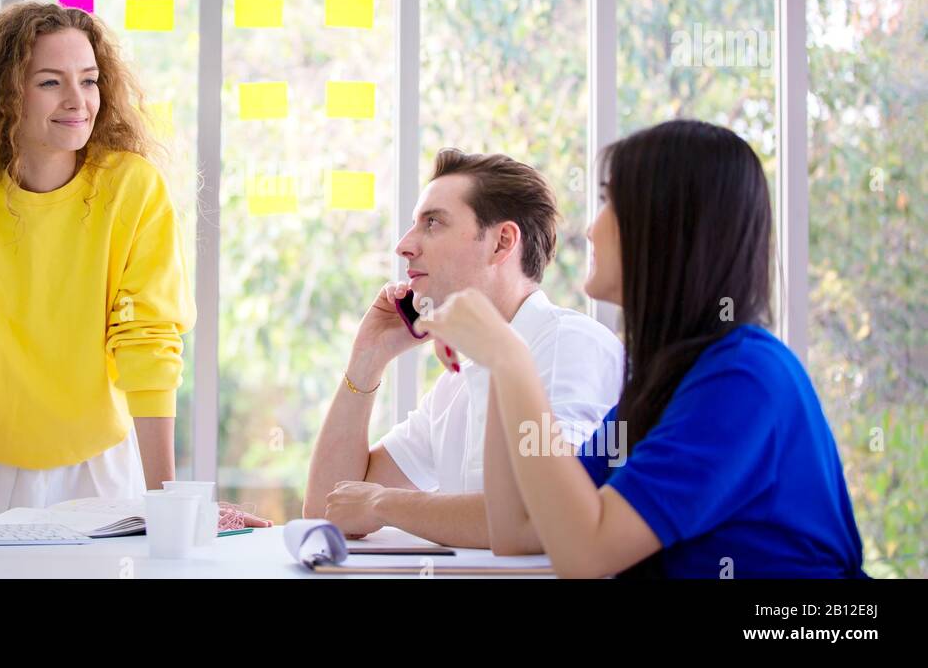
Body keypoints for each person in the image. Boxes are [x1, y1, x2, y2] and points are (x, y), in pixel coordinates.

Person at [0, 1, 267, 528]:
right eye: (50, 83)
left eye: (89, 80)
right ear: (4, 92)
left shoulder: (132, 187)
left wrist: (166, 501)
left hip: (97, 467)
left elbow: (148, 344)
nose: (78, 101)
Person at [427, 119, 865, 577]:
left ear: (669, 223)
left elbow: (585, 555)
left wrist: (509, 357)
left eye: (610, 202)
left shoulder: (745, 378)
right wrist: (502, 360)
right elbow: (516, 528)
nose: (592, 229)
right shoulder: (664, 386)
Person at [303, 149, 623, 547]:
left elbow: (538, 516)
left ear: (501, 242)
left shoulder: (569, 348)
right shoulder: (456, 385)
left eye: (432, 223)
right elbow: (327, 509)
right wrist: (368, 358)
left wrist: (383, 504)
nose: (404, 246)